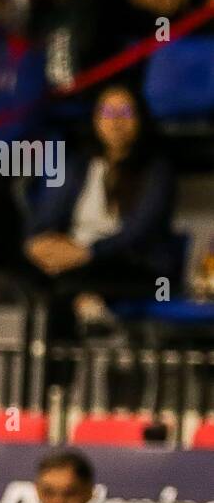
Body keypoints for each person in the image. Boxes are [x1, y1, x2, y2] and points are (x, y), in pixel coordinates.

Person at [24, 83, 178, 336]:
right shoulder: (78, 165)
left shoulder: (156, 170)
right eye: (107, 113)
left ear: (141, 118)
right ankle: (88, 315)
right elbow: (46, 215)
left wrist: (88, 252)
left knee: (64, 286)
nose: (115, 121)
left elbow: (139, 232)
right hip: (75, 261)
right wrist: (39, 242)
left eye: (125, 113)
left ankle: (65, 369)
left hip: (138, 266)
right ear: (95, 119)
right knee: (43, 276)